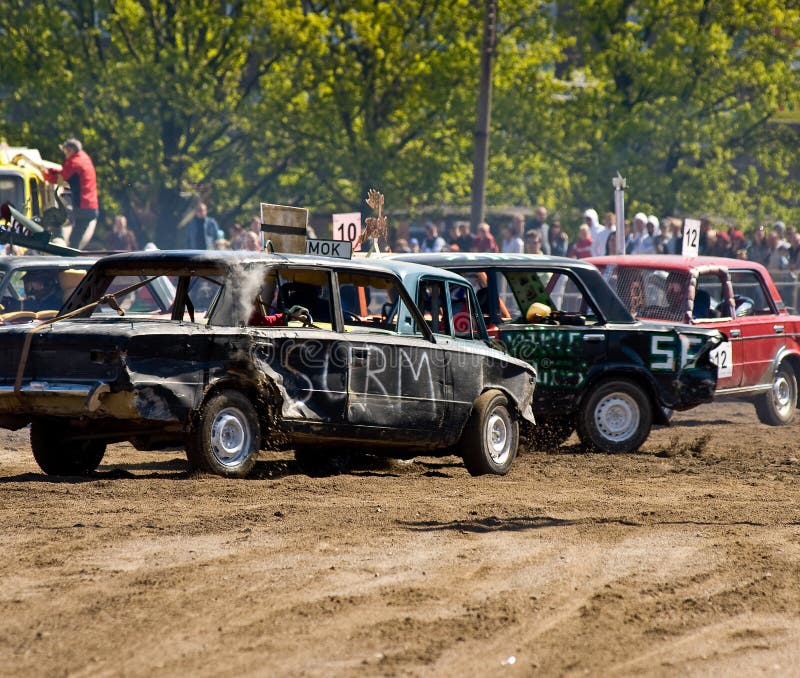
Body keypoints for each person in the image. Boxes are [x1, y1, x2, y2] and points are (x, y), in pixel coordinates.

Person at [43, 138, 98, 250]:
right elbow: (64, 172)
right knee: (75, 240)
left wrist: (46, 175)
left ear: (72, 150)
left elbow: (61, 178)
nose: (65, 155)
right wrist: (52, 171)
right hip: (90, 207)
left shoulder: (75, 162)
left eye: (65, 151)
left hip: (82, 207)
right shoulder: (84, 158)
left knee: (56, 217)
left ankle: (59, 241)